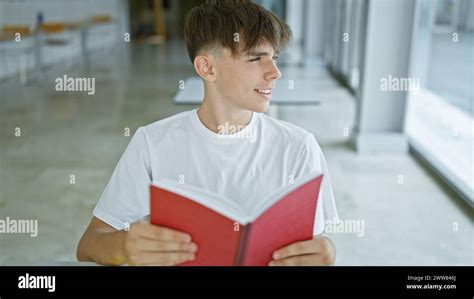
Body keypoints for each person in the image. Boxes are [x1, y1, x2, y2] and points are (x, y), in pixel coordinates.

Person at [77, 0, 338, 266]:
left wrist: (326, 251)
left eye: (274, 58)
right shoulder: (152, 144)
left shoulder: (299, 147)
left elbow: (311, 246)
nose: (275, 73)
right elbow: (89, 244)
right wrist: (124, 245)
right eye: (256, 58)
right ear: (207, 68)